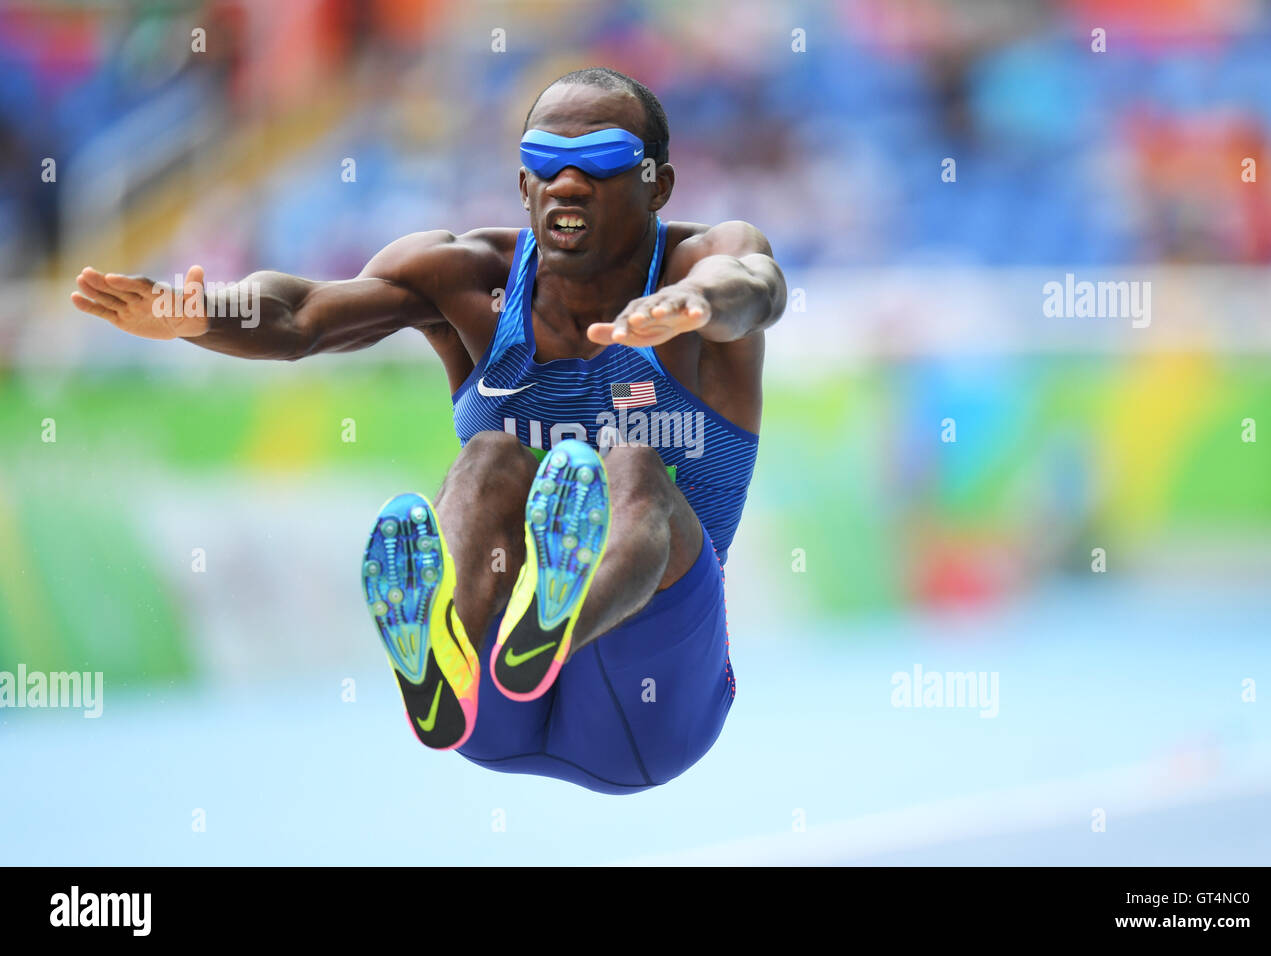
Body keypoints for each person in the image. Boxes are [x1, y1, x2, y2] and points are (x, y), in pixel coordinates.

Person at [71, 67, 787, 794]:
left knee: (629, 466)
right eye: (545, 162)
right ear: (522, 187)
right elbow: (302, 313)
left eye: (599, 161)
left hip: (651, 716)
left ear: (657, 185)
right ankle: (454, 658)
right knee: (490, 457)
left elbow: (757, 286)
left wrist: (695, 304)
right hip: (486, 720)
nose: (567, 183)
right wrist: (202, 313)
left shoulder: (702, 265)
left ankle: (547, 634)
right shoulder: (469, 279)